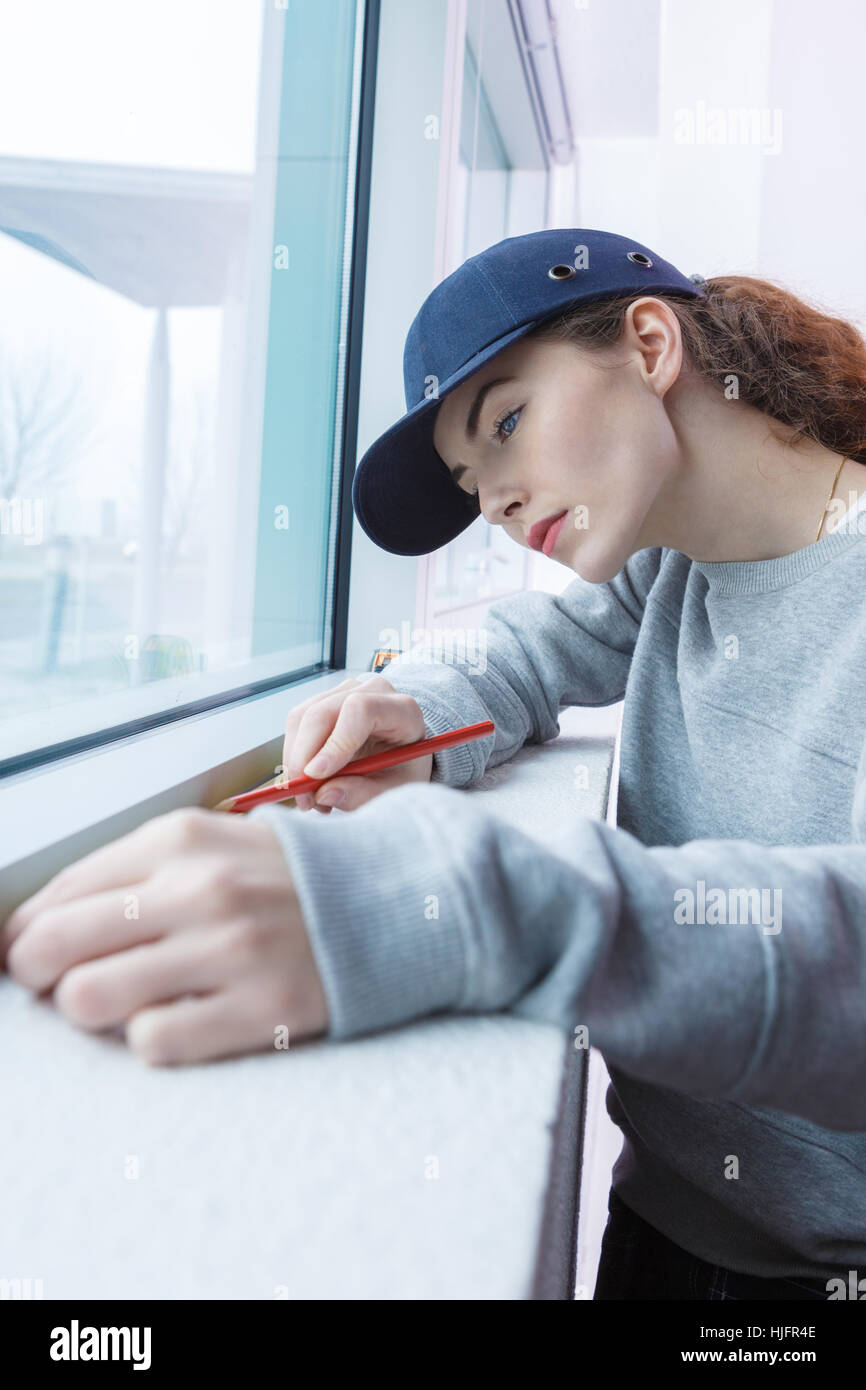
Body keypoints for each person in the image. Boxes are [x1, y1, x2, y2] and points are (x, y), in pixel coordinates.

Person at [4, 228, 866, 1300]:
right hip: (664, 1217)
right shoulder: (668, 570)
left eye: (505, 421)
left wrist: (467, 906)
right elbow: (522, 651)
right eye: (471, 480)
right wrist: (408, 715)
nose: (496, 500)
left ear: (649, 342)